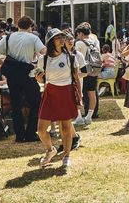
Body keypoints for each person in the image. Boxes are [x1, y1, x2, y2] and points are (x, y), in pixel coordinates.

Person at [0, 16, 46, 142]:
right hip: (27, 72)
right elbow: (44, 51)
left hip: (12, 74)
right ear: (31, 27)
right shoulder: (33, 38)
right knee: (35, 102)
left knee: (16, 104)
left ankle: (20, 135)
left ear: (18, 25)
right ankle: (31, 132)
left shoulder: (8, 37)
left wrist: (2, 64)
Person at [35, 29, 81, 168]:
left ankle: (67, 156)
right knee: (41, 129)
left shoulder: (71, 57)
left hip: (66, 92)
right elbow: (41, 78)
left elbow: (76, 79)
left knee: (66, 128)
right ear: (50, 42)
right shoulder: (43, 60)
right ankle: (50, 150)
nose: (61, 40)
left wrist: (79, 98)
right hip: (50, 93)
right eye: (57, 38)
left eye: (62, 37)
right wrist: (39, 79)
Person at [73, 23, 101, 125]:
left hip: (82, 72)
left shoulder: (79, 43)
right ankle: (89, 116)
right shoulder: (95, 42)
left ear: (80, 33)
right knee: (92, 93)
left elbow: (76, 59)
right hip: (93, 71)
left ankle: (79, 117)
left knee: (79, 94)